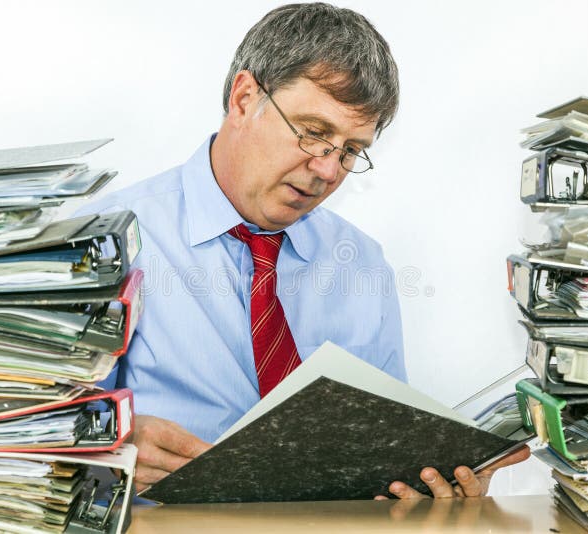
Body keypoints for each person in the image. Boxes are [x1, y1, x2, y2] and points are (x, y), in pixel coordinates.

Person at [79, 2, 529, 499]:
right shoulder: (106, 241)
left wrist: (432, 485)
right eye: (314, 134)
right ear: (245, 98)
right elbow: (21, 429)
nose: (329, 170)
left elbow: (388, 451)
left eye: (352, 150)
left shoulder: (361, 263)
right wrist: (105, 441)